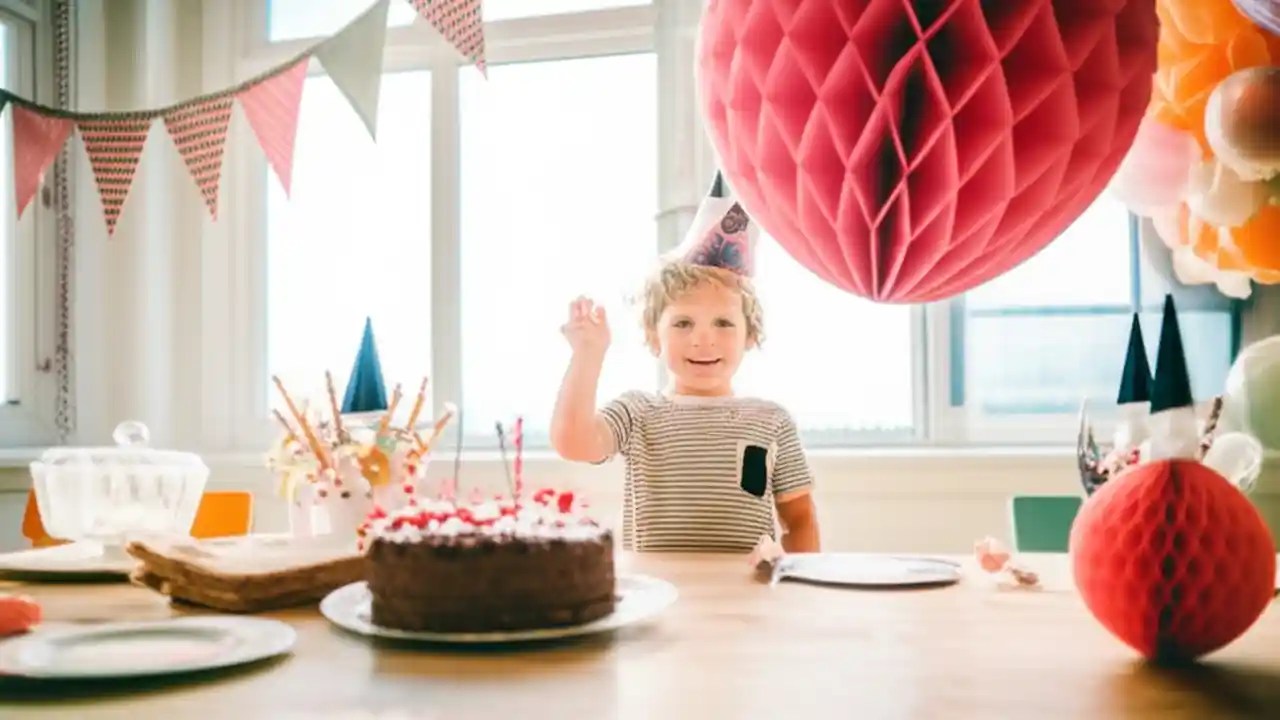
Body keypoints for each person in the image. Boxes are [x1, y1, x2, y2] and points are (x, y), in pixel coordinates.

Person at [550, 176, 820, 553]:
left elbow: (800, 520)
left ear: (750, 336)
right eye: (683, 323)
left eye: (723, 323)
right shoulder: (638, 412)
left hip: (747, 601)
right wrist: (587, 355)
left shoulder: (771, 421)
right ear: (652, 336)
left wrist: (798, 585)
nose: (703, 339)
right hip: (661, 597)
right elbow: (573, 443)